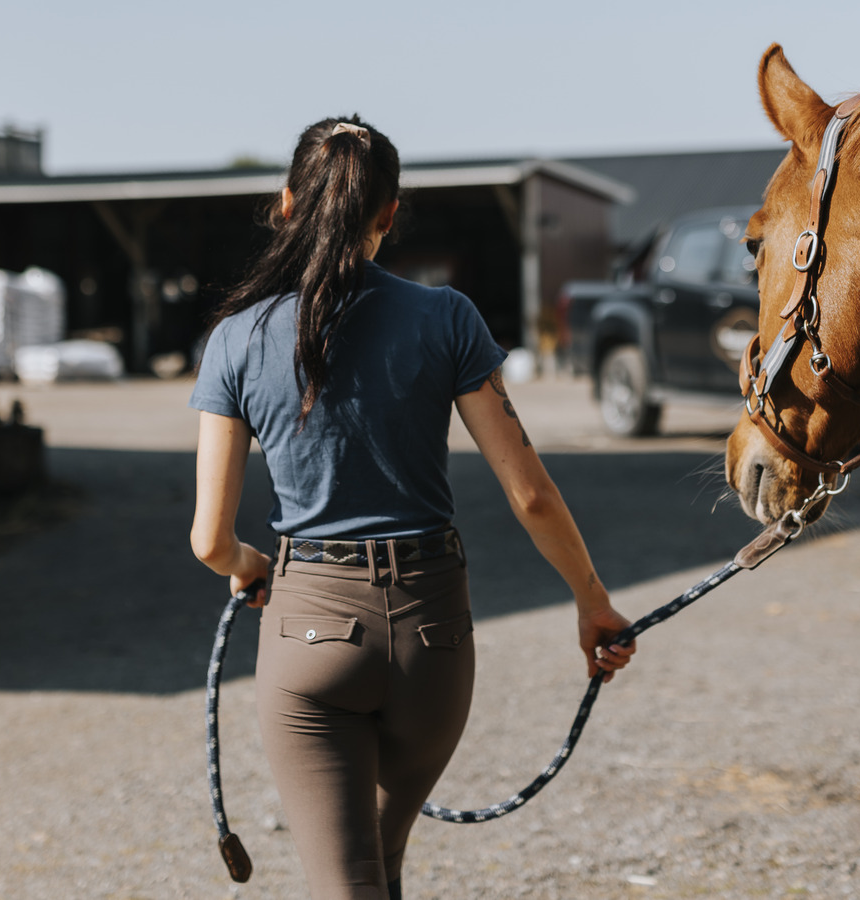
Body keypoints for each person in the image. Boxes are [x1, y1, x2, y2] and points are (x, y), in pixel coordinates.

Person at [188, 115, 636, 900]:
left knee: (349, 879)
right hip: (434, 633)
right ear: (389, 213)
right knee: (377, 865)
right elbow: (530, 492)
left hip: (308, 628)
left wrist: (249, 566)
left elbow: (207, 540)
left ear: (287, 203)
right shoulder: (447, 319)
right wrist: (591, 603)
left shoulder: (235, 338)